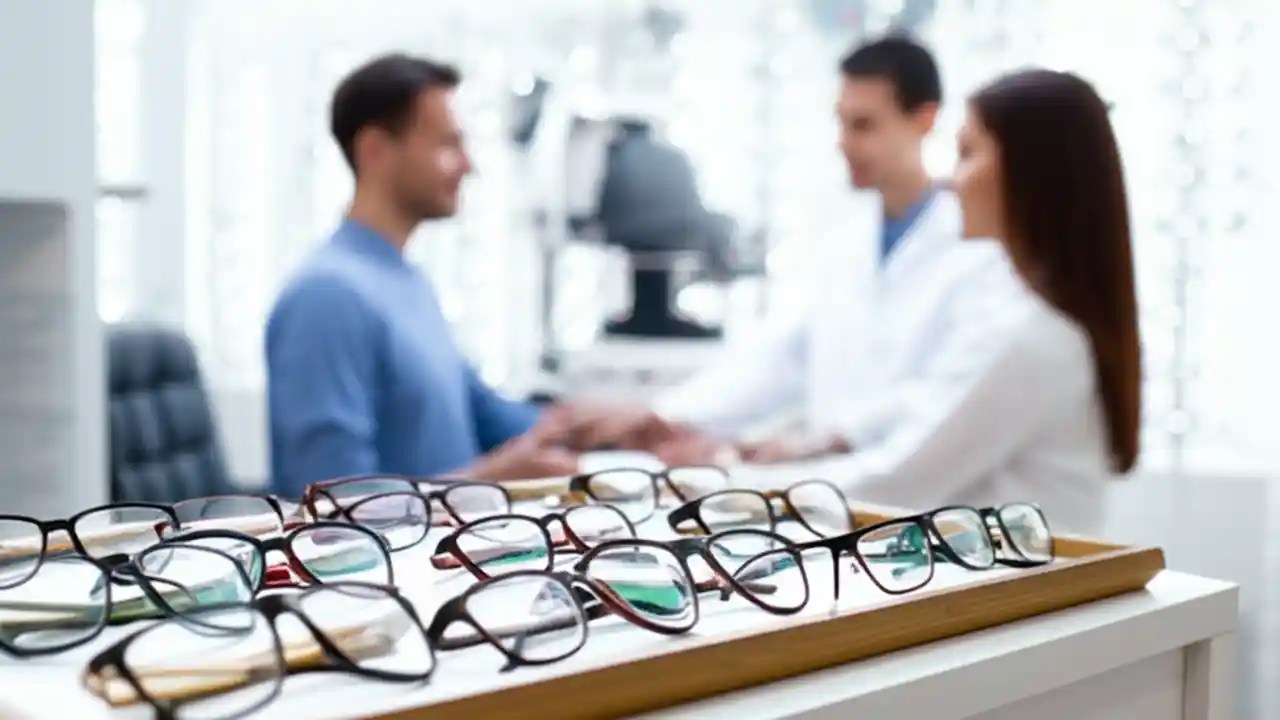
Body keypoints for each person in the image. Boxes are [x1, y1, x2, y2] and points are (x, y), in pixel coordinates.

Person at [562, 35, 1029, 464]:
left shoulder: (979, 252)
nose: (844, 144)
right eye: (841, 123)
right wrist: (665, 416)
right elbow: (783, 358)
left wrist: (776, 456)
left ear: (924, 120)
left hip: (919, 492)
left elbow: (942, 399)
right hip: (835, 494)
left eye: (864, 125)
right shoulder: (843, 240)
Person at [267, 54, 577, 498]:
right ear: (375, 150)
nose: (468, 166)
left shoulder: (405, 281)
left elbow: (483, 413)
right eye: (447, 145)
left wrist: (595, 428)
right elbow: (331, 501)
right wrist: (493, 479)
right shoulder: (327, 297)